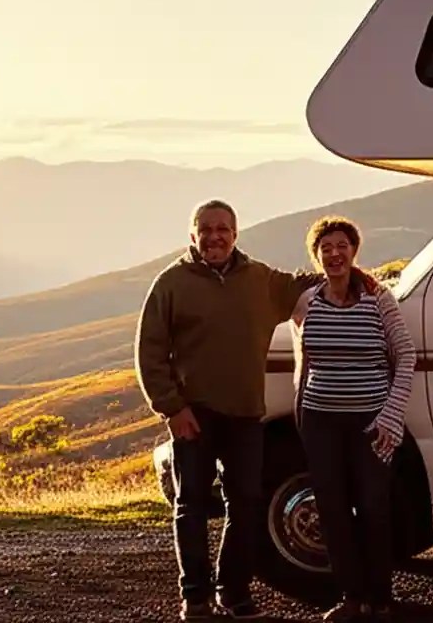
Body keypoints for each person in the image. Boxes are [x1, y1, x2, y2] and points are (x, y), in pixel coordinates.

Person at [135, 199, 322, 621]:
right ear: (193, 236)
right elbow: (149, 353)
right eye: (206, 229)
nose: (215, 237)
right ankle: (195, 597)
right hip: (192, 416)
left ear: (235, 235)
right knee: (192, 506)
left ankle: (233, 593)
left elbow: (302, 284)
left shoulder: (259, 279)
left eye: (223, 229)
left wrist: (357, 275)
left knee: (247, 505)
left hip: (245, 415)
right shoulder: (171, 284)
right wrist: (171, 409)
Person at [289, 215, 417, 622]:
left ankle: (381, 600)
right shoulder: (308, 301)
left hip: (372, 425)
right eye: (325, 248)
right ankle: (351, 598)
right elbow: (303, 362)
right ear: (316, 257)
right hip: (320, 421)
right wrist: (301, 413)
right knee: (333, 509)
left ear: (353, 250)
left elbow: (406, 356)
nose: (334, 253)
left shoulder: (379, 299)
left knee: (374, 507)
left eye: (341, 245)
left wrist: (391, 417)